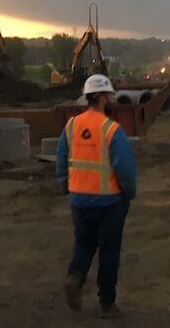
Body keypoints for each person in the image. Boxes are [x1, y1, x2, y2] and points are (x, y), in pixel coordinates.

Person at [55, 73, 138, 320]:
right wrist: (129, 193)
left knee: (83, 244)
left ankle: (75, 277)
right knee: (109, 252)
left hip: (79, 201)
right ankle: (107, 304)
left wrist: (65, 186)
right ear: (102, 98)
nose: (112, 99)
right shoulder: (111, 129)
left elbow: (61, 159)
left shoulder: (71, 126)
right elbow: (125, 168)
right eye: (110, 95)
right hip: (110, 202)